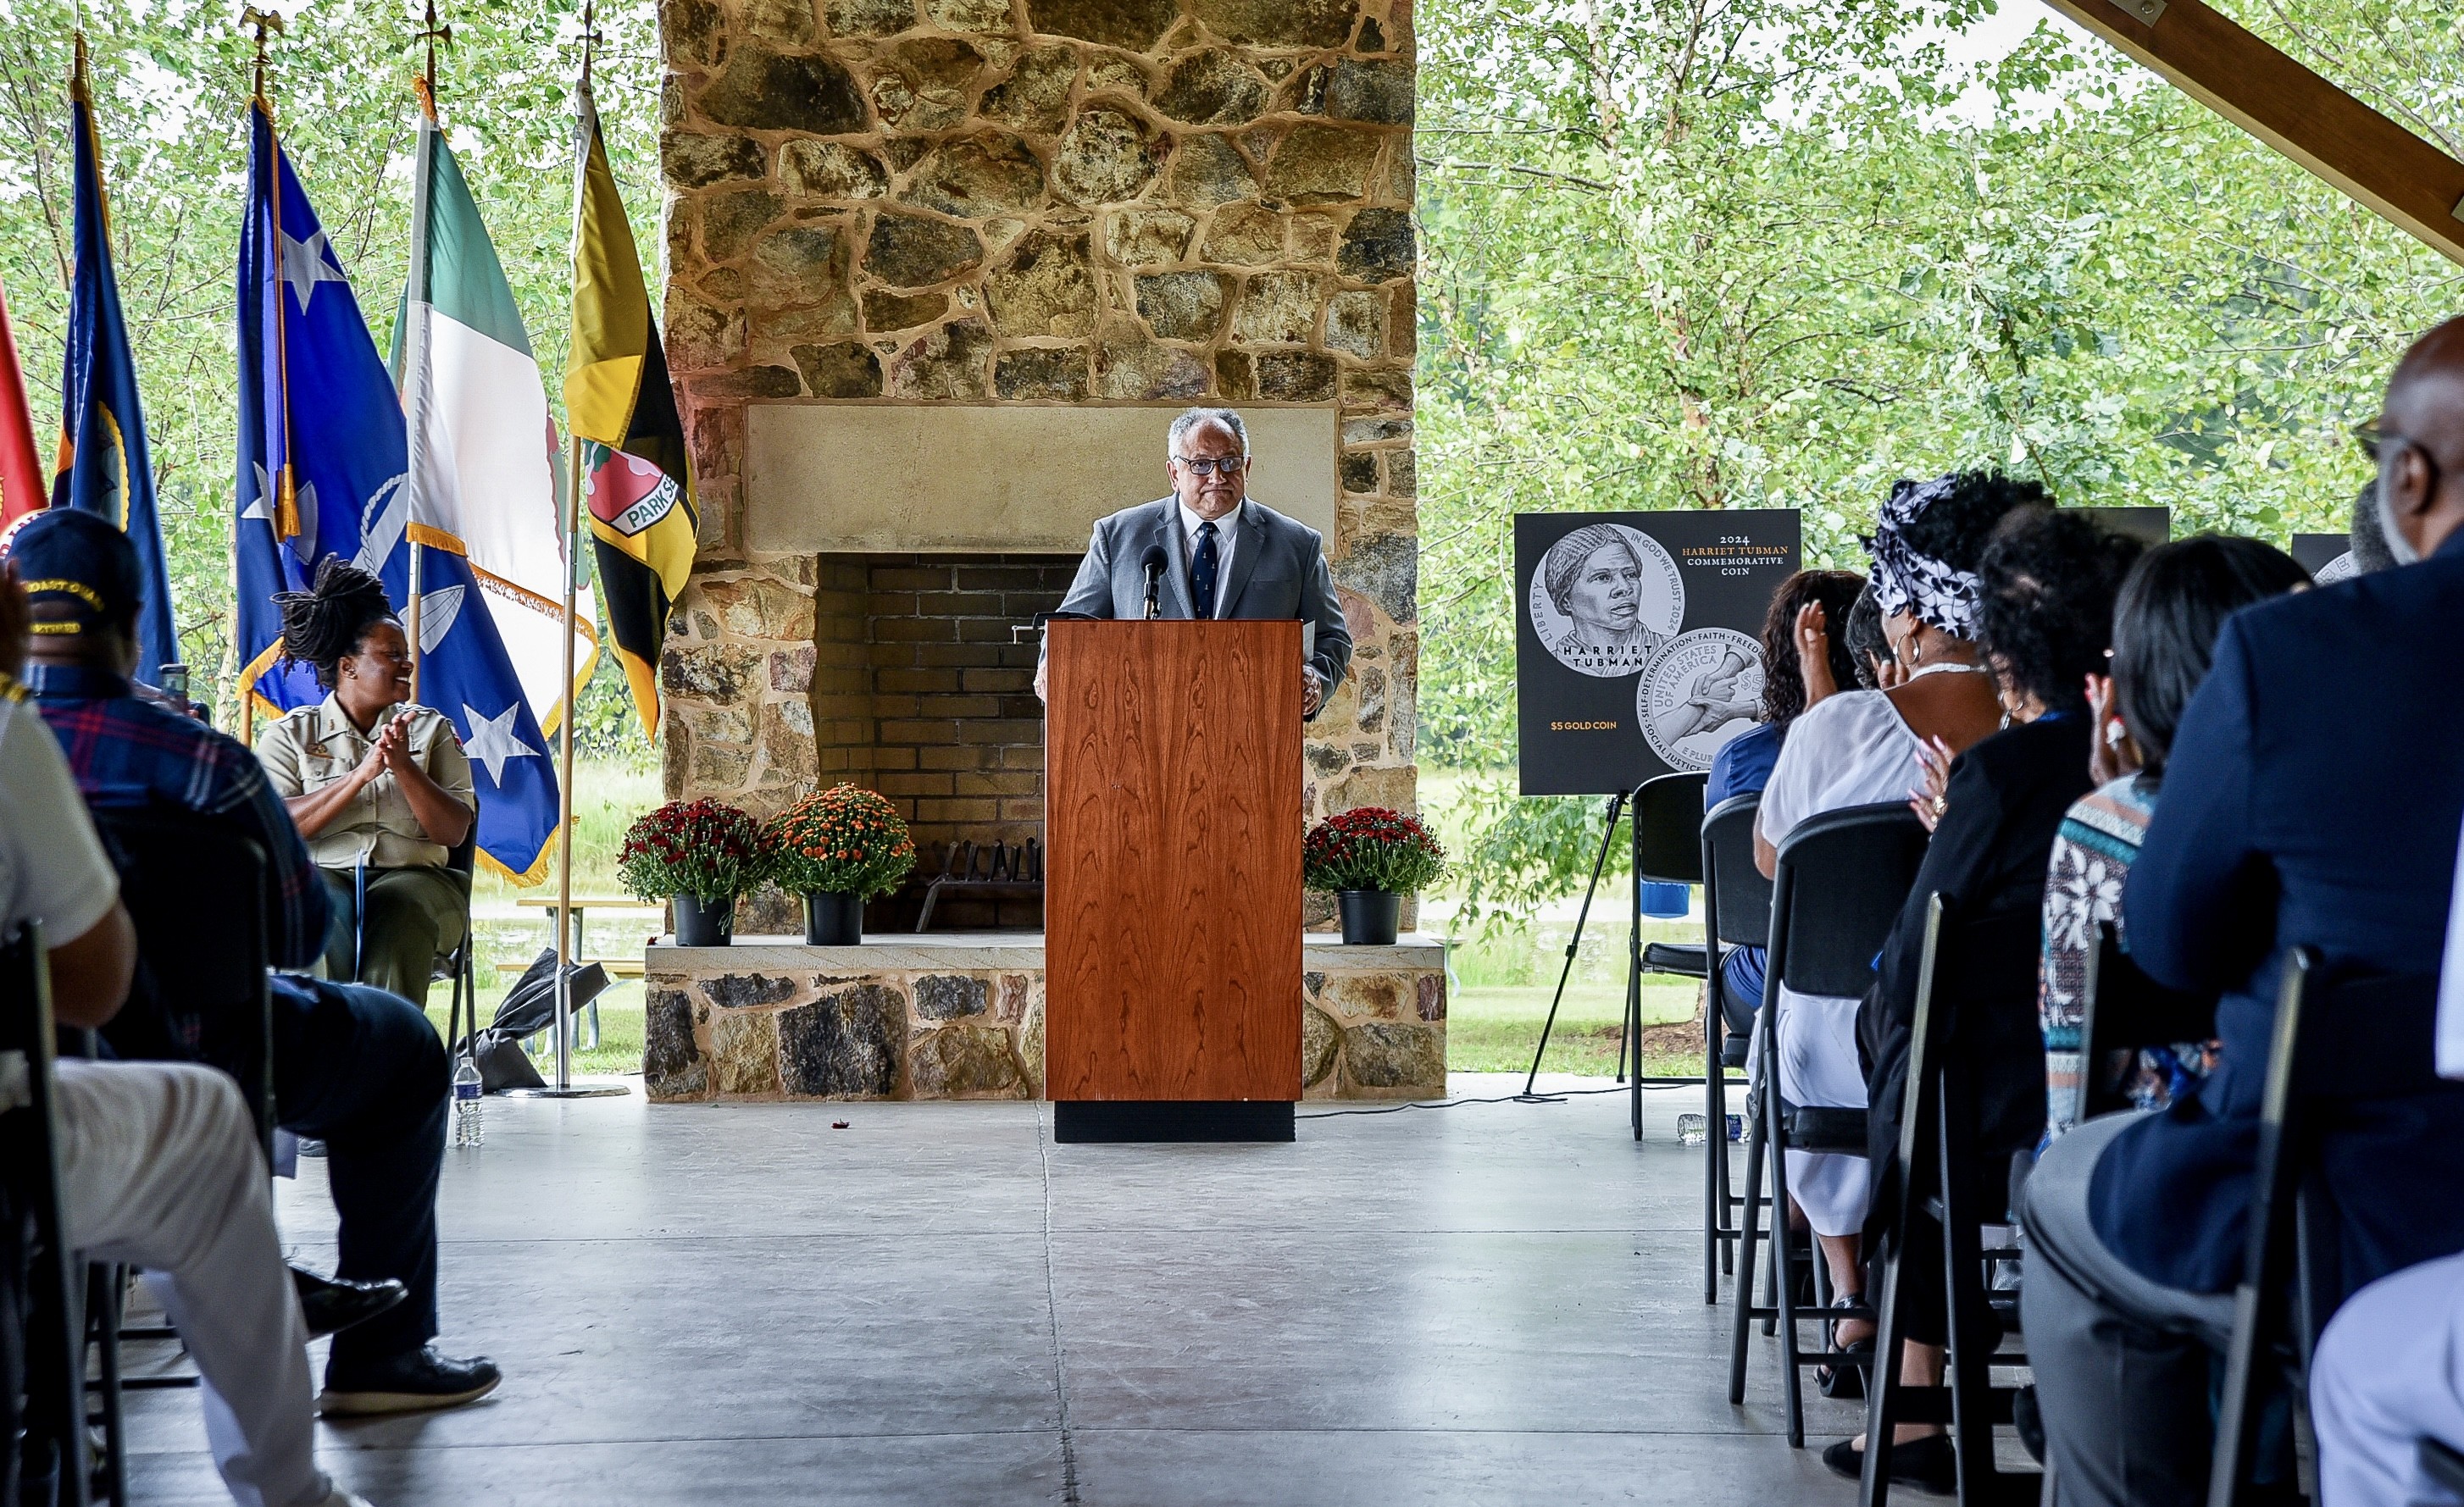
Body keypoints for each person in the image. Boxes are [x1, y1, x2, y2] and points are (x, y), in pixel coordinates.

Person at [2022, 315, 2464, 1507]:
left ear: (2408, 475)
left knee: (2060, 1196)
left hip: (2349, 1190)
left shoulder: (2290, 657)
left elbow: (2169, 941)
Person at [8, 509, 500, 1416]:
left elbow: (448, 833)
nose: (401, 670)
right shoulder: (205, 762)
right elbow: (291, 932)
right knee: (399, 1051)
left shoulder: (13, 750)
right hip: (203, 1059)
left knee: (385, 930)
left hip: (29, 1071)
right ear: (132, 628)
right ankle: (378, 1358)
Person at [0, 561, 374, 1507]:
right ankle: (302, 1468)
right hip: (172, 1052)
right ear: (130, 627)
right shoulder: (39, 740)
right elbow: (101, 980)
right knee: (221, 1112)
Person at [1828, 507, 2143, 1490]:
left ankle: (1911, 1404)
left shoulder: (2004, 774)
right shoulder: (2149, 769)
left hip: (1997, 1099)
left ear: (2005, 651)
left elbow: (1923, 946)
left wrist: (1954, 825)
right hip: (2127, 1082)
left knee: (1905, 1063)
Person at [1751, 472, 2024, 1404]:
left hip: (1842, 1058)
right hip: (2015, 1066)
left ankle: (1851, 1294)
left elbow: (1772, 858)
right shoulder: (2052, 734)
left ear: (1903, 615)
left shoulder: (1833, 730)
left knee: (1800, 1017)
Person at [2035, 536, 2309, 1148]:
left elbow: (2074, 1071)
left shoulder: (2099, 827)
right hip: (2341, 1167)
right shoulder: (2346, 805)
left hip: (2168, 1169)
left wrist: (2121, 801)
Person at [253, 557, 474, 1010]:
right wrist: (361, 776)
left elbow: (452, 833)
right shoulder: (290, 736)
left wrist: (403, 766)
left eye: (406, 654)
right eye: (391, 655)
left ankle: (384, 1062)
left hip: (420, 883)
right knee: (322, 911)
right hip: (324, 875)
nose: (407, 664)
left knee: (399, 912)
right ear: (348, 666)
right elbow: (274, 828)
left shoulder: (432, 731)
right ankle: (325, 1061)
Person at [1037, 407, 1351, 716]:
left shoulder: (1297, 544)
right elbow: (1073, 626)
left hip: (1255, 732)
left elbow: (1331, 636)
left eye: (1230, 462)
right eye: (1201, 464)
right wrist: (1053, 666)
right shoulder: (1118, 536)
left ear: (1247, 468)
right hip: (1140, 727)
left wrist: (1317, 680)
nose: (1217, 476)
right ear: (1174, 473)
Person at [1703, 568, 1864, 1028]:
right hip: (1883, 968)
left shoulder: (1739, 761)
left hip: (1770, 974)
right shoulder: (1913, 751)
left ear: (1779, 655)